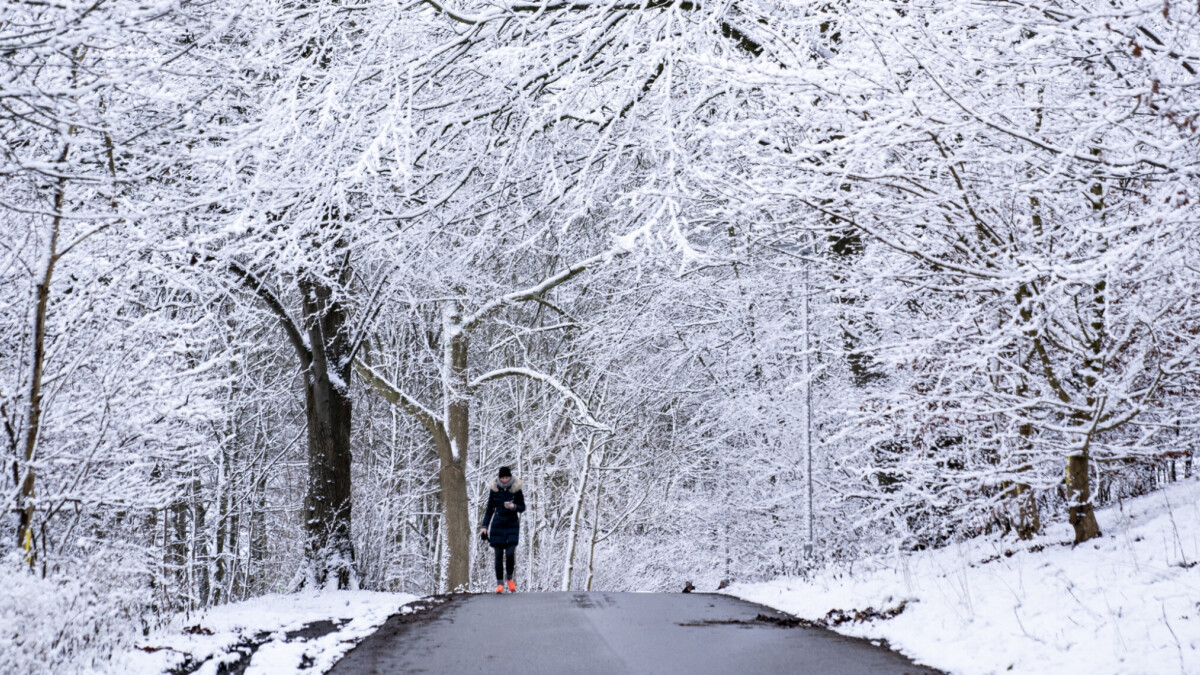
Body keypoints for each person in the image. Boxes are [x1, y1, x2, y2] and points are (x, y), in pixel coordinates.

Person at [479, 465, 525, 593]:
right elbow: (489, 510)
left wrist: (513, 506)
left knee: (510, 553)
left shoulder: (516, 489)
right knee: (498, 555)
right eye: (502, 478)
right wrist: (484, 527)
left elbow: (522, 507)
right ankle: (500, 583)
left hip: (512, 524)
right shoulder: (494, 490)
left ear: (510, 477)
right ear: (499, 478)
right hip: (497, 525)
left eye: (507, 478)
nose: (505, 480)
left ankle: (509, 578)